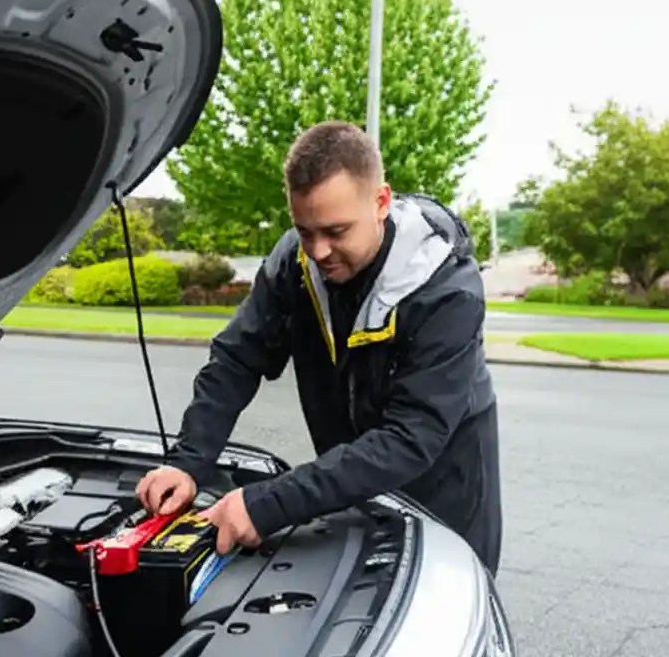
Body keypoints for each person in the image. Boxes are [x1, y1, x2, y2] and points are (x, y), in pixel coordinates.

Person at [136, 120, 503, 574]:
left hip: (444, 500)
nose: (319, 250)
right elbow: (237, 358)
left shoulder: (446, 291)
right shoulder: (296, 262)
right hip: (349, 489)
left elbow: (412, 437)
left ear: (381, 202)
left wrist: (267, 504)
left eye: (336, 231)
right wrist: (188, 463)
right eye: (305, 230)